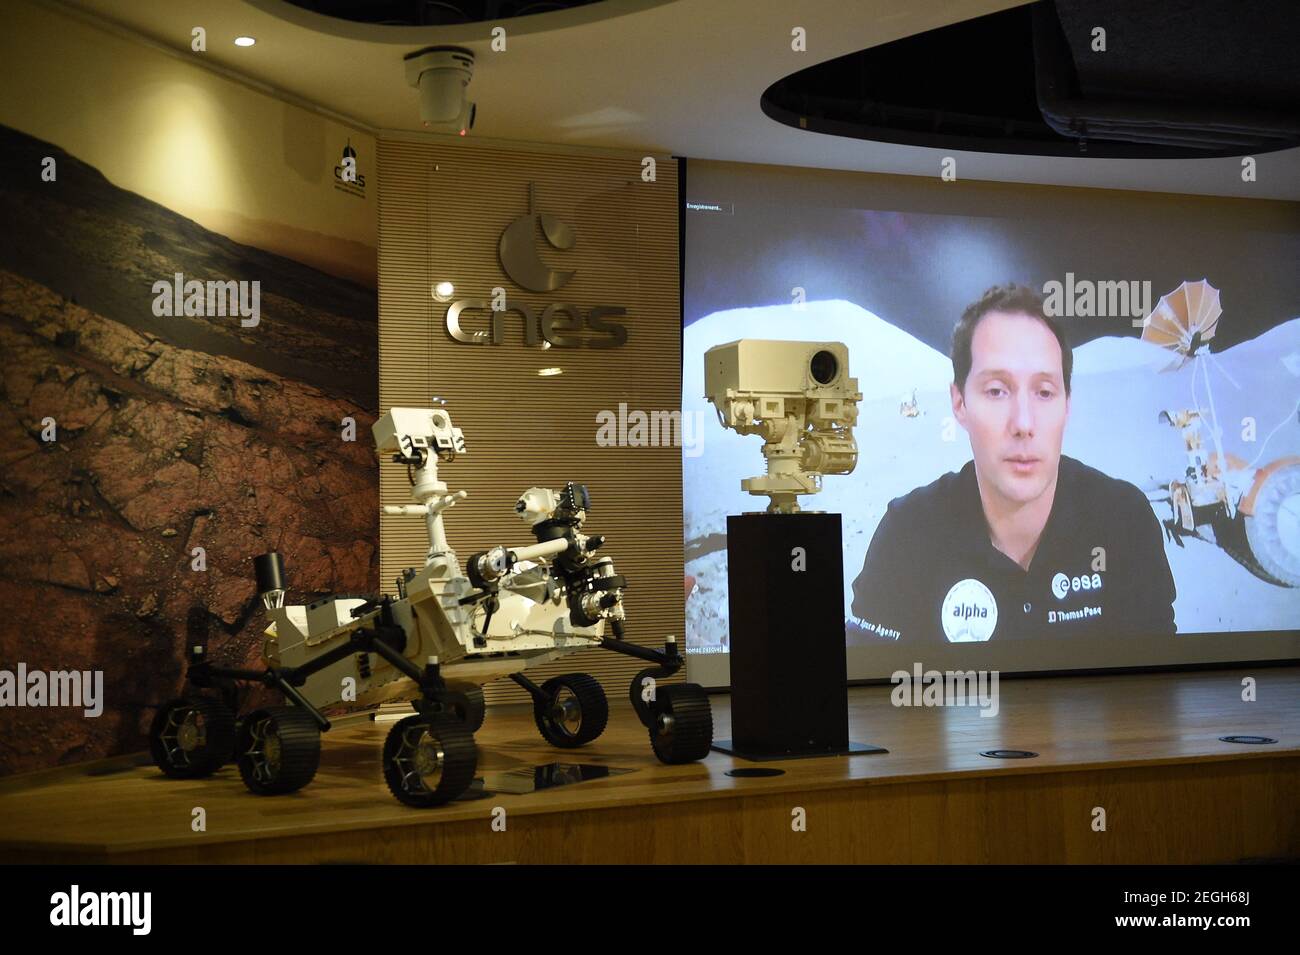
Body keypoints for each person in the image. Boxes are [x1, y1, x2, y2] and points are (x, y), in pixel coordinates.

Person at [850, 284, 1176, 642]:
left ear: (1066, 404)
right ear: (959, 403)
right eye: (996, 391)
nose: (1023, 423)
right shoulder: (907, 535)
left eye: (1044, 392)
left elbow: (1156, 686)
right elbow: (875, 691)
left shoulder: (1124, 522)